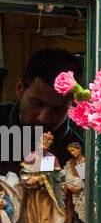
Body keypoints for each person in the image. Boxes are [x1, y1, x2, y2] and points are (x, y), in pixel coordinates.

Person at [0, 47, 85, 179]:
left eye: (58, 109)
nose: (43, 117)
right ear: (19, 89)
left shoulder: (79, 152)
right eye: (37, 104)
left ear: (72, 104)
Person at [19, 131, 69, 223]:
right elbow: (23, 173)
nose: (45, 145)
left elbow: (55, 176)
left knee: (46, 222)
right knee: (32, 222)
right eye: (43, 142)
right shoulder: (31, 156)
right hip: (32, 196)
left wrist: (40, 179)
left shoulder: (50, 158)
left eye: (48, 143)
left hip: (46, 196)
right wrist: (27, 179)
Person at [63, 140, 86, 223]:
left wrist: (80, 186)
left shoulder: (87, 163)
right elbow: (66, 177)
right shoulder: (69, 164)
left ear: (79, 149)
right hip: (75, 200)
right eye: (70, 151)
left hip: (85, 198)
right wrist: (68, 186)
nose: (72, 153)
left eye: (73, 150)